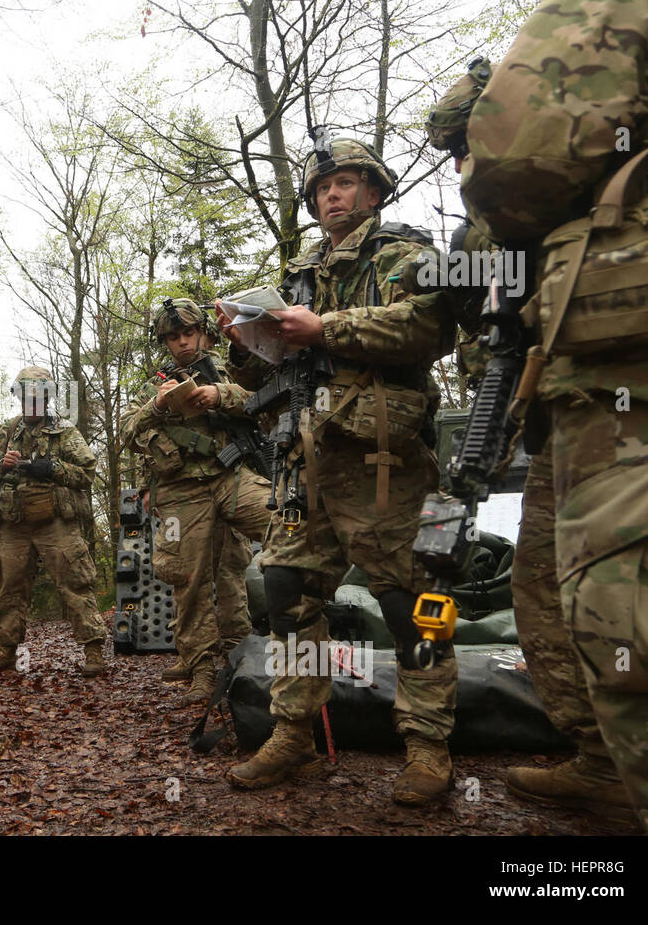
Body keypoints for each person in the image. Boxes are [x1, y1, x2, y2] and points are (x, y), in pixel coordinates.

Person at [463, 0, 648, 834]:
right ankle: (599, 764)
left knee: (633, 613)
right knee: (554, 584)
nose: (334, 197)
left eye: (349, 185)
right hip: (582, 375)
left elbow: (516, 161)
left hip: (636, 360)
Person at [218, 137, 458, 803]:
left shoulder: (406, 256)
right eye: (323, 187)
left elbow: (431, 327)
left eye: (347, 183)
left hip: (384, 464)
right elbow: (270, 369)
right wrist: (243, 343)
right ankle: (293, 731)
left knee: (415, 607)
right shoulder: (296, 273)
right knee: (290, 596)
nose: (332, 195)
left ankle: (428, 746)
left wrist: (326, 327)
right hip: (306, 461)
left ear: (375, 193)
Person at [427, 58, 629, 816]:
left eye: (475, 150)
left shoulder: (602, 184)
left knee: (628, 595)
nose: (465, 170)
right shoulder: (489, 227)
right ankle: (602, 757)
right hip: (551, 418)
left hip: (625, 412)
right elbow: (487, 328)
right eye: (457, 157)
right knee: (539, 587)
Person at [121, 300, 274, 703]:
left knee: (284, 530)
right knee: (188, 582)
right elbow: (127, 430)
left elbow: (263, 400)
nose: (183, 342)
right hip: (181, 493)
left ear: (204, 333)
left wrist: (219, 394)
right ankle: (203, 669)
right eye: (173, 337)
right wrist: (157, 405)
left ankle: (246, 657)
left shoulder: (228, 368)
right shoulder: (155, 382)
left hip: (232, 477)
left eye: (188, 333)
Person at [0, 367, 106, 676]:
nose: (30, 403)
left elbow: (87, 472)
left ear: (46, 398)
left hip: (54, 522)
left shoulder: (65, 431)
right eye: (25, 397)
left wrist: (52, 468)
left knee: (75, 581)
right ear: (18, 398)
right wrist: (1, 467)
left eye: (37, 397)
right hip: (14, 523)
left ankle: (93, 650)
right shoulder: (5, 431)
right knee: (10, 586)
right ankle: (7, 650)